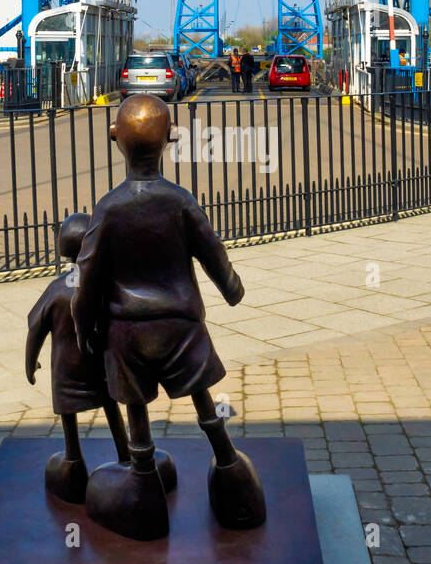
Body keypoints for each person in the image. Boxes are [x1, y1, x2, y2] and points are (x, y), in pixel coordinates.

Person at [71, 95, 265, 540]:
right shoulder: (179, 200)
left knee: (135, 409)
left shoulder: (109, 208)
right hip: (181, 326)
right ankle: (231, 471)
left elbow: (88, 275)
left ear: (115, 139)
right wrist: (232, 289)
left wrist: (84, 326)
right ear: (170, 137)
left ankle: (142, 482)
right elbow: (212, 250)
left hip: (128, 332)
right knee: (205, 405)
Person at [25, 212, 176, 504]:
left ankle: (73, 463)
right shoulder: (102, 288)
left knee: (69, 416)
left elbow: (35, 326)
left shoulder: (57, 289)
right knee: (111, 407)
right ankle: (125, 455)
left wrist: (30, 363)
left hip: (64, 373)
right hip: (101, 366)